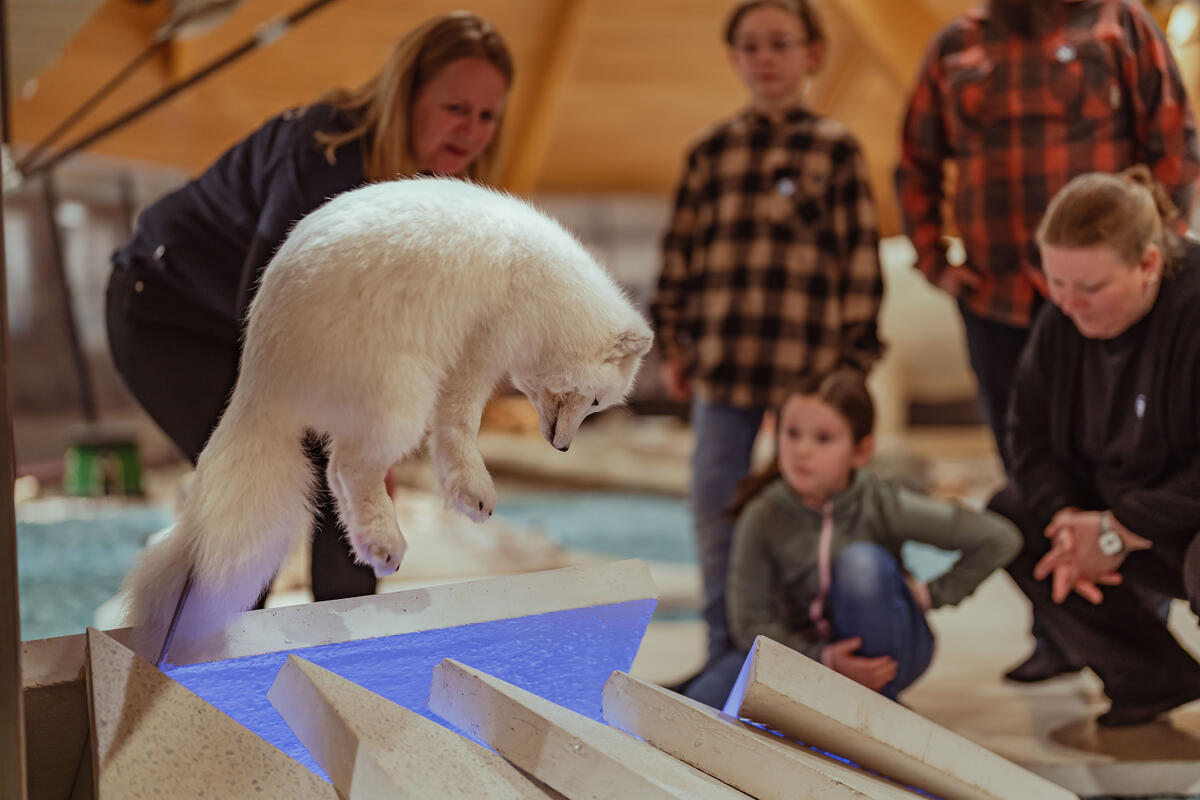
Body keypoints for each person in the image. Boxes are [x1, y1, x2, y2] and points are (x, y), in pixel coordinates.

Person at [106, 12, 513, 603]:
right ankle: (194, 670)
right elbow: (269, 312)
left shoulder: (431, 195)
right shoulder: (325, 152)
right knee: (264, 494)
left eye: (487, 116)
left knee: (346, 495)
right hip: (165, 313)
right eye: (456, 108)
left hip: (249, 325)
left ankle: (345, 666)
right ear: (408, 94)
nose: (471, 130)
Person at [895, 0, 1200, 683]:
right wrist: (936, 262)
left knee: (1149, 462)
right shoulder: (955, 45)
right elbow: (915, 160)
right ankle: (1093, 648)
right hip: (998, 296)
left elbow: (1175, 138)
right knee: (1029, 481)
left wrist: (1156, 255)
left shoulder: (1121, 26)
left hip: (1125, 282)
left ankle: (1134, 597)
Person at [650, 0, 884, 689]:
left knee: (804, 512)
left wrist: (853, 365)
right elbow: (680, 254)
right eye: (751, 46)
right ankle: (729, 648)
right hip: (723, 364)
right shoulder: (709, 150)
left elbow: (860, 262)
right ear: (735, 59)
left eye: (781, 43)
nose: (766, 58)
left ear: (813, 54)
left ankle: (802, 651)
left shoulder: (836, 148)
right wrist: (675, 342)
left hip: (807, 374)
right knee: (714, 507)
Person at [992, 167, 1200, 726]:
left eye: (1090, 288)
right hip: (1117, 505)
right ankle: (1150, 679)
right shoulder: (1064, 320)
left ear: (1149, 265)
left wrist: (1116, 531)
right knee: (1012, 516)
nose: (1068, 303)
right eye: (1056, 282)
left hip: (1183, 516)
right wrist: (1068, 520)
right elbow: (1027, 434)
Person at [684, 369, 1021, 707]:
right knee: (698, 704)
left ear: (861, 451)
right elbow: (748, 623)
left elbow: (998, 538)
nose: (801, 449)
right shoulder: (763, 514)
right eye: (792, 433)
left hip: (888, 651)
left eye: (823, 438)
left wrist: (929, 594)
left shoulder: (880, 503)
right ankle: (831, 697)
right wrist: (824, 659)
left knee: (862, 564)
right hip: (802, 658)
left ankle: (876, 702)